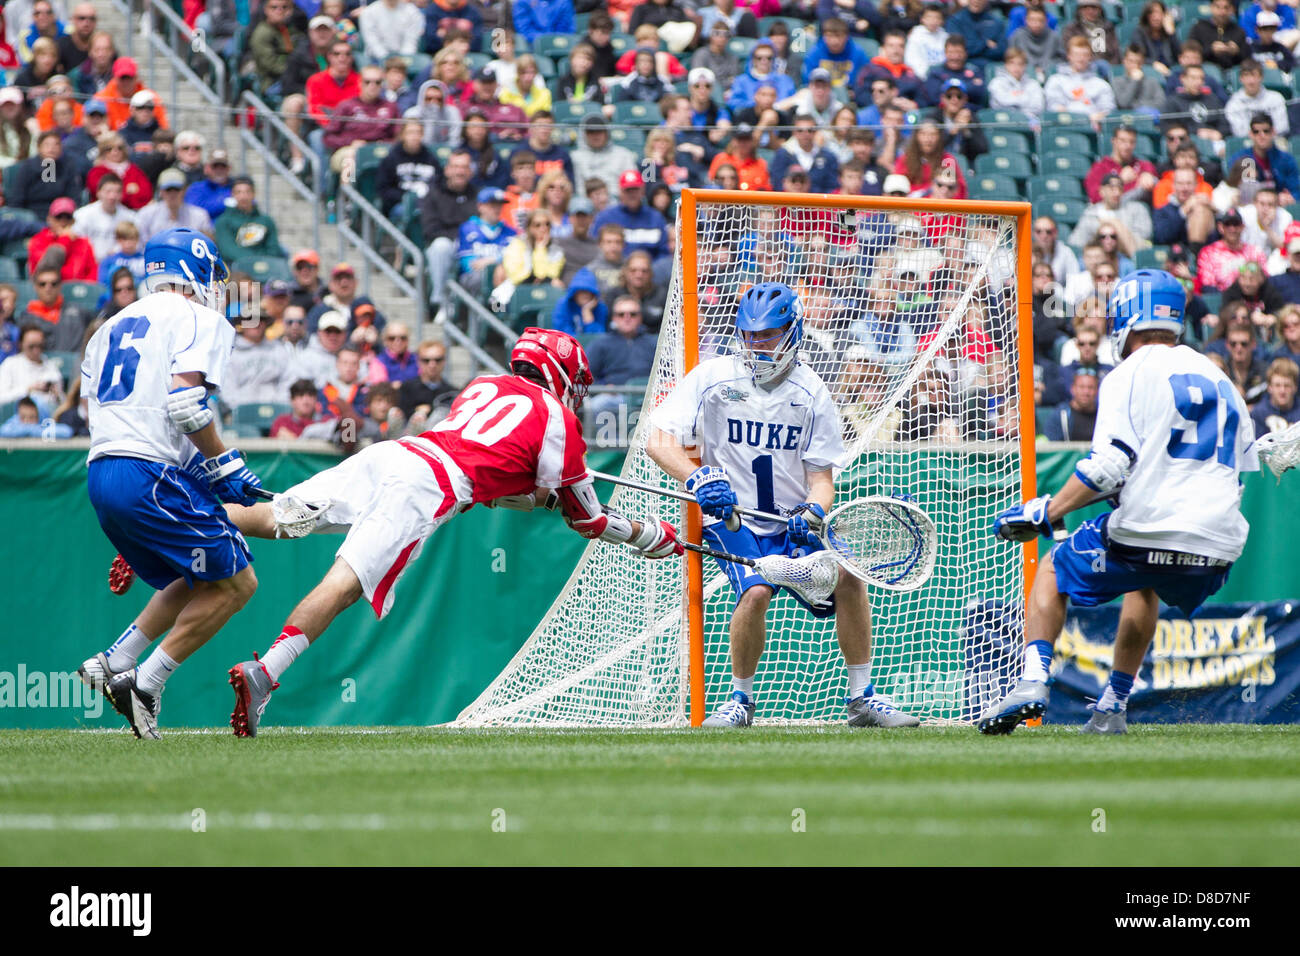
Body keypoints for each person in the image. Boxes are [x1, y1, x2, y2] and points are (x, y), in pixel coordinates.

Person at [222, 328, 684, 736]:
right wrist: (649, 535)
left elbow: (496, 476)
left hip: (393, 454)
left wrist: (545, 494)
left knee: (277, 518)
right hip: (426, 486)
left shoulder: (483, 384)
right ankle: (266, 671)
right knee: (345, 584)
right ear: (560, 373)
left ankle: (181, 520)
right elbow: (586, 519)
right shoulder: (558, 421)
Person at [981, 270, 1257, 736]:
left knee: (1052, 569)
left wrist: (1044, 512)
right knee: (1142, 580)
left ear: (1127, 316)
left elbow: (1108, 465)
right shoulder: (1220, 377)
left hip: (1153, 526)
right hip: (1220, 545)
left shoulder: (1130, 372)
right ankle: (1111, 709)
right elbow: (1232, 470)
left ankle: (1031, 683)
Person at [646, 281, 919, 729]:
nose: (758, 346)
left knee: (849, 576)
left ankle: (862, 699)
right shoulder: (713, 377)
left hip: (790, 523)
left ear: (793, 332)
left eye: (769, 335)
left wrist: (811, 513)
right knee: (755, 590)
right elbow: (658, 440)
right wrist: (698, 478)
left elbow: (820, 480)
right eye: (751, 336)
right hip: (732, 520)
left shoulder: (811, 392)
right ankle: (740, 702)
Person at [76, 227, 263, 740]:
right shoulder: (199, 317)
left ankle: (113, 661)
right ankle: (146, 683)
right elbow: (184, 405)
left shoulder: (106, 328)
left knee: (199, 575)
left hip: (103, 473)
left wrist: (193, 471)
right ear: (196, 270)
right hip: (146, 473)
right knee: (238, 581)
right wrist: (223, 463)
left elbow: (117, 418)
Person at [1251, 356, 1300, 435]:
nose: (1282, 391)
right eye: (1277, 385)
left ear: (1295, 387)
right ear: (1269, 387)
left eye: (1287, 385)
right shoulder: (1258, 414)